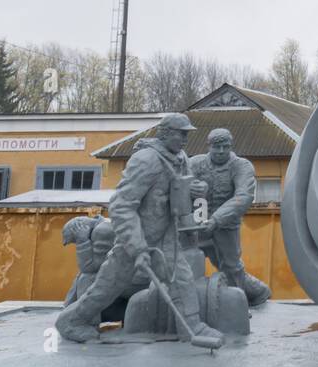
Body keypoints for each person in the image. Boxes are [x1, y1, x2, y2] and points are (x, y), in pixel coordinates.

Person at [55, 113, 223, 346]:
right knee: (109, 284)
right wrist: (137, 246)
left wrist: (194, 189)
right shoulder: (147, 160)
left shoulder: (180, 158)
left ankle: (192, 327)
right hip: (137, 237)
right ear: (164, 134)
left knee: (180, 277)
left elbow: (178, 189)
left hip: (165, 235)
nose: (185, 139)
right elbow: (121, 205)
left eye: (187, 134)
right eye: (180, 133)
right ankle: (71, 321)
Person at [190, 128, 271, 306]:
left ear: (231, 146)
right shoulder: (195, 163)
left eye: (225, 147)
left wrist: (217, 219)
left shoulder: (241, 165)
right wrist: (191, 187)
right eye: (216, 147)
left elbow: (243, 196)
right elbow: (178, 183)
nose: (221, 151)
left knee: (231, 267)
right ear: (209, 146)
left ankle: (241, 304)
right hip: (197, 226)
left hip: (226, 225)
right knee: (187, 261)